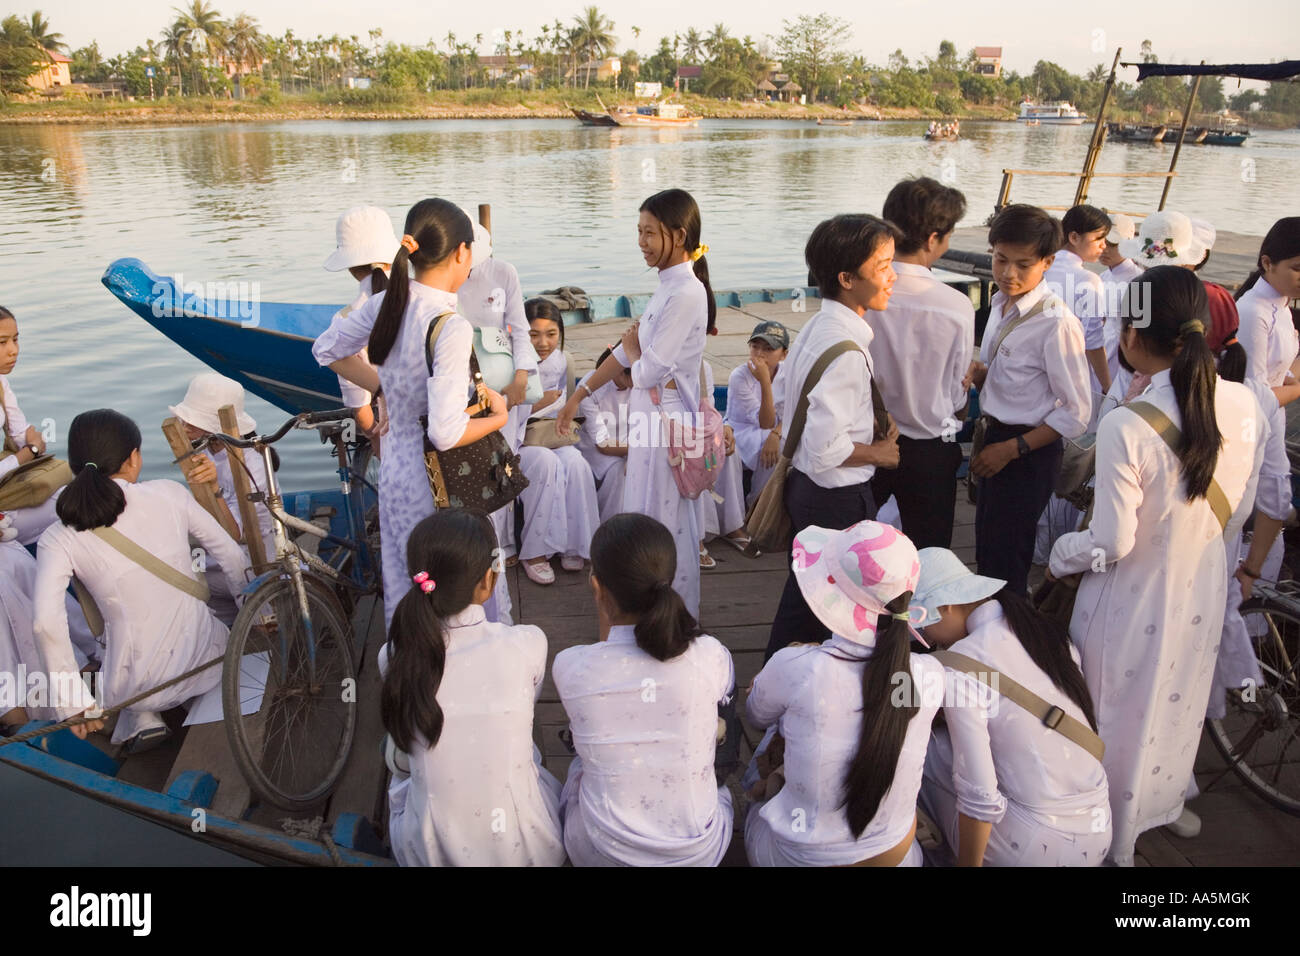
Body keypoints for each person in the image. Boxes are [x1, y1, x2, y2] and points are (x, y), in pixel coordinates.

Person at [1048, 266, 1266, 866]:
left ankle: (1108, 833)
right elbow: (1240, 509)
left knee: (1109, 713)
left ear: (1131, 334)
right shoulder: (1245, 401)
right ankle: (1161, 807)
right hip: (1202, 585)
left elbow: (1110, 542)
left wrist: (1060, 557)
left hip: (1129, 596)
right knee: (1177, 699)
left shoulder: (1128, 421)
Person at [314, 198, 513, 630]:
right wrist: (499, 417)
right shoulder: (449, 325)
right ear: (462, 252)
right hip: (442, 479)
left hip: (398, 476)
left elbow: (325, 349)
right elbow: (445, 432)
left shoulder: (385, 305)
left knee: (410, 581)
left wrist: (384, 388)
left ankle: (410, 674)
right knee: (458, 584)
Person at [33, 410, 249, 752]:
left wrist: (73, 702)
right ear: (133, 458)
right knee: (209, 624)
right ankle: (176, 705)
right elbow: (231, 555)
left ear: (74, 467)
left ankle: (144, 716)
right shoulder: (169, 493)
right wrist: (251, 611)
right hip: (207, 660)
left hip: (132, 684)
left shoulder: (57, 537)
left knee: (108, 628)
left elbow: (46, 623)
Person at [744, 520, 941, 866]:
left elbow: (756, 716)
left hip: (796, 859)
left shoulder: (795, 665)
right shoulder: (929, 675)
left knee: (766, 743)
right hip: (896, 858)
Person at [555, 189, 712, 618]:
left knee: (668, 526)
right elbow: (624, 355)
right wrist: (579, 396)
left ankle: (677, 618)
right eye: (638, 231)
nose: (641, 241)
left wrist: (633, 350)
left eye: (649, 233)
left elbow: (647, 370)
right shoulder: (667, 288)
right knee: (647, 517)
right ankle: (645, 614)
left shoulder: (686, 293)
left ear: (678, 236)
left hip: (666, 425)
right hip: (651, 422)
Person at [380, 509, 565, 866]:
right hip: (528, 849)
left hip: (428, 852)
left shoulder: (392, 656)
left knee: (396, 759)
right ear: (487, 582)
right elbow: (528, 699)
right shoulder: (529, 643)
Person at [553, 513, 735, 866]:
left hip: (600, 852)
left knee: (578, 768)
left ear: (596, 587)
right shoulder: (711, 654)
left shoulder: (571, 667)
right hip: (698, 854)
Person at [910, 548, 1111, 866]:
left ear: (944, 606)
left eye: (919, 627)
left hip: (1034, 847)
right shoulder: (1042, 630)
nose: (926, 639)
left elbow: (980, 796)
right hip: (1098, 830)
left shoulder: (960, 667)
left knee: (923, 746)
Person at [764, 215, 903, 658]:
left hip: (806, 490)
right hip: (835, 498)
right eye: (882, 266)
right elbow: (827, 449)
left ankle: (775, 678)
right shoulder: (844, 348)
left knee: (805, 594)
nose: (892, 275)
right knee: (828, 606)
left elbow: (801, 407)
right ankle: (791, 683)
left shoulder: (818, 329)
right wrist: (879, 453)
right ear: (847, 278)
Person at [967, 204, 1091, 596]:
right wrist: (983, 374)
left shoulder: (1056, 323)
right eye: (1000, 259)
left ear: (1047, 262)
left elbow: (1076, 412)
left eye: (1023, 264)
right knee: (988, 550)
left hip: (1025, 451)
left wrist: (1012, 449)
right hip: (993, 439)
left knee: (1009, 559)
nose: (1008, 273)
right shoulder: (1001, 305)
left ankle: (1012, 640)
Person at [867, 177, 973, 550]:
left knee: (861, 546)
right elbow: (957, 389)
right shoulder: (955, 305)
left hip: (869, 439)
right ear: (932, 239)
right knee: (929, 553)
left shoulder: (863, 294)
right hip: (930, 445)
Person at [458, 222, 540, 582]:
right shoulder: (443, 277)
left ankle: (503, 547)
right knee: (467, 465)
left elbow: (519, 328)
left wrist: (522, 373)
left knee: (498, 463)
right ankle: (474, 551)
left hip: (502, 379)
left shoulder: (503, 272)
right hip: (460, 379)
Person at [517, 297, 599, 580]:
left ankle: (573, 544)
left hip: (549, 435)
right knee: (545, 463)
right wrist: (536, 405)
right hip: (517, 441)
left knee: (576, 462)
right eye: (534, 334)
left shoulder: (563, 361)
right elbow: (499, 411)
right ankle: (535, 551)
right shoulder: (512, 363)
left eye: (551, 334)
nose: (543, 343)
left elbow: (565, 405)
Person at [168, 373, 277, 583]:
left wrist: (214, 488)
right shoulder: (206, 449)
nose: (184, 426)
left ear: (218, 426)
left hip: (252, 560)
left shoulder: (252, 467)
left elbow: (236, 535)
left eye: (193, 422)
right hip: (215, 550)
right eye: (185, 420)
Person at [313, 205, 399, 440]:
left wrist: (376, 441)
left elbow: (361, 410)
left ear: (350, 266)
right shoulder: (425, 296)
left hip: (399, 439)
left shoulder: (346, 320)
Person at [0, 306, 64, 546]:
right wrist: (30, 452)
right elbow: (30, 446)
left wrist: (29, 445)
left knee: (68, 494)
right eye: (2, 342)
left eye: (15, 340)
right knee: (67, 510)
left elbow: (20, 431)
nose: (13, 351)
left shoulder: (1, 382)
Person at [1044, 204, 1113, 406]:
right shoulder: (1089, 280)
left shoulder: (1040, 268)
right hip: (1069, 368)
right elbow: (1092, 341)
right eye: (1098, 238)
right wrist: (1107, 386)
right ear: (1074, 237)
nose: (1104, 246)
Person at [725, 321, 787, 510]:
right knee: (767, 441)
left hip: (773, 430)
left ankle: (762, 504)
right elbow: (765, 422)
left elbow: (794, 411)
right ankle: (755, 505)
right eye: (755, 347)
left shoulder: (788, 373)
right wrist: (765, 382)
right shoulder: (739, 376)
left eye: (768, 349)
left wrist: (776, 434)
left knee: (779, 441)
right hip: (741, 431)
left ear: (784, 354)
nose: (759, 354)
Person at [694, 358, 749, 566]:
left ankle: (732, 524)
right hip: (666, 432)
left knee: (726, 449)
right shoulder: (662, 363)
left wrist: (720, 429)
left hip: (695, 430)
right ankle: (695, 536)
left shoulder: (702, 367)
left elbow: (708, 409)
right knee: (695, 453)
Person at [575, 347, 632, 522]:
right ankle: (611, 527)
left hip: (628, 446)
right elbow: (603, 444)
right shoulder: (590, 386)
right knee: (619, 471)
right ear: (619, 369)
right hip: (594, 450)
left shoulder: (641, 384)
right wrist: (637, 451)